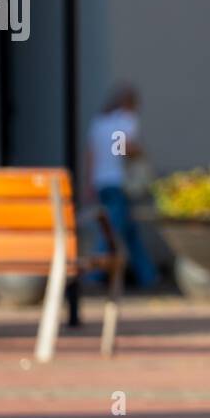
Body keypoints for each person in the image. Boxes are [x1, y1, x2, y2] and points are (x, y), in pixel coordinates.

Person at [85, 84, 159, 289]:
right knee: (111, 231)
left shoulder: (99, 122)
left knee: (129, 230)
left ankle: (148, 275)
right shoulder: (126, 120)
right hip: (118, 181)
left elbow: (91, 154)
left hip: (101, 181)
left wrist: (89, 182)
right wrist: (139, 151)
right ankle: (94, 274)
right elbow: (122, 148)